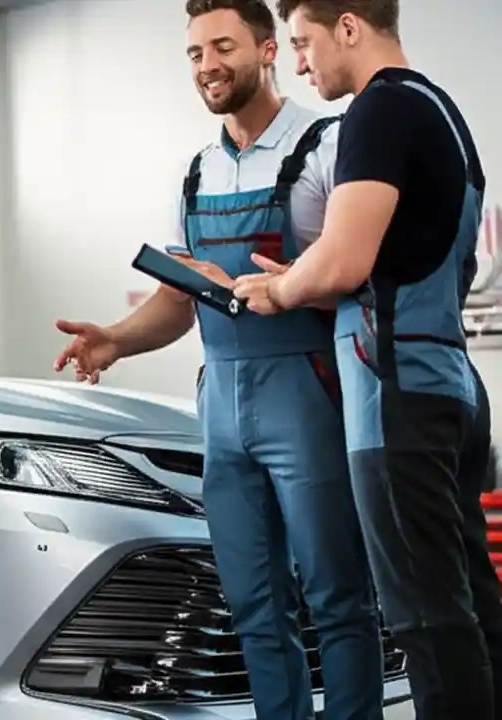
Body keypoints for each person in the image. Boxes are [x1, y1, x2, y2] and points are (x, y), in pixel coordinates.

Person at [52, 1, 385, 718]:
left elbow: (355, 269)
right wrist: (114, 338)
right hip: (223, 412)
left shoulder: (328, 145)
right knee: (253, 603)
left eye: (223, 47)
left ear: (269, 50)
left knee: (337, 597)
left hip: (309, 393)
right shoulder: (194, 174)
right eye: (195, 53)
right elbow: (180, 300)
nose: (207, 65)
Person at [231, 0, 502, 716]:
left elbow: (345, 260)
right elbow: (399, 267)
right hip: (446, 381)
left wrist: (282, 289)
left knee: (424, 615)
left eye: (302, 42)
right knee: (471, 603)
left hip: (396, 395)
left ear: (349, 25)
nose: (296, 62)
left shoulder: (378, 111)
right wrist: (294, 284)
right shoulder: (438, 109)